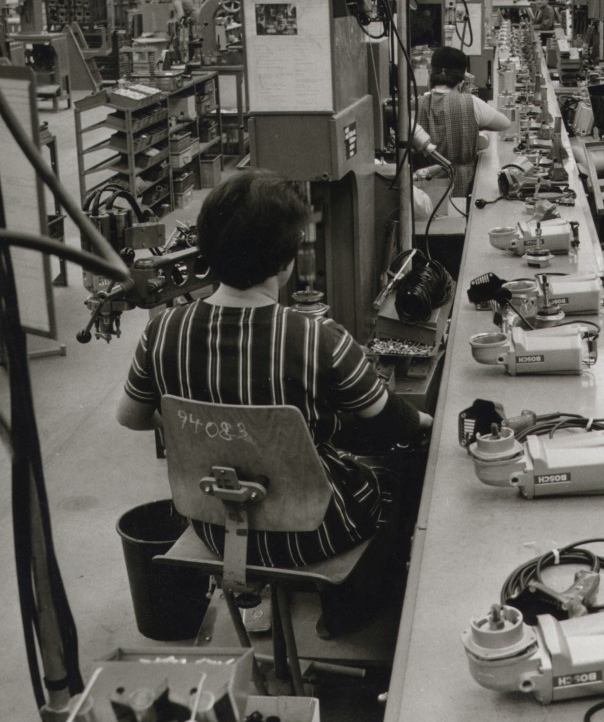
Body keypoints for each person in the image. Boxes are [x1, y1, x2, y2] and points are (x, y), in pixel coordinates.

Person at [116, 171, 433, 578]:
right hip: (315, 531)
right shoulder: (317, 337)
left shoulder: (162, 331)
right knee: (400, 475)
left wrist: (205, 428)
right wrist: (426, 422)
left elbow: (131, 417)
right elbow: (391, 420)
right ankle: (365, 599)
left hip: (216, 526)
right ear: (285, 263)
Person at [411, 45, 510, 196]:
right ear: (462, 78)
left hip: (424, 190)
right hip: (462, 187)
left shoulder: (415, 105)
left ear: (431, 74)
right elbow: (505, 123)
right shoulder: (470, 102)